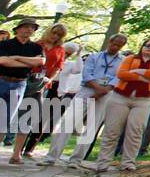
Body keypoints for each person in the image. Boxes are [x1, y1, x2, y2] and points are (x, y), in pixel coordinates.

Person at [43, 34, 125, 167]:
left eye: (119, 45)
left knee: (91, 127)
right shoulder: (94, 56)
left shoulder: (123, 61)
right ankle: (52, 156)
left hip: (106, 94)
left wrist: (104, 91)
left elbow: (119, 77)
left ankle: (76, 159)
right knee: (68, 123)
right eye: (114, 43)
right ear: (109, 42)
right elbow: (87, 74)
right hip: (87, 90)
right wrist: (97, 88)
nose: (115, 47)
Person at [89, 37, 150, 172]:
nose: (149, 48)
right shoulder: (130, 58)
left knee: (135, 131)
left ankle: (128, 163)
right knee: (112, 130)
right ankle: (103, 162)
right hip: (120, 97)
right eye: (147, 45)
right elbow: (121, 74)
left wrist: (136, 71)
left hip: (143, 100)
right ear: (142, 45)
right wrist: (141, 77)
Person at [9, 22, 68, 161]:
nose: (55, 36)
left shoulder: (60, 49)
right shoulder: (36, 44)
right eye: (54, 32)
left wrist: (49, 79)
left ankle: (16, 153)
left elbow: (58, 67)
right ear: (48, 31)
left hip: (40, 85)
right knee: (8, 114)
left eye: (59, 35)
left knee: (27, 119)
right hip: (24, 80)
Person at [0, 18, 46, 160]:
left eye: (32, 28)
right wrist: (27, 62)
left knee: (3, 121)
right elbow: (1, 61)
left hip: (19, 84)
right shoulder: (5, 44)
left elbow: (40, 62)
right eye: (26, 27)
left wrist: (15, 58)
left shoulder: (36, 48)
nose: (28, 29)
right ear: (18, 29)